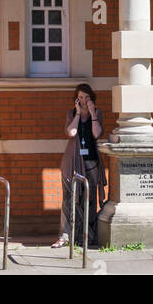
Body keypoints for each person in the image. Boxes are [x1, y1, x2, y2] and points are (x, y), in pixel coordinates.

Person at [52, 84, 105, 248]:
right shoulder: (71, 114)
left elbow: (97, 134)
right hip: (72, 162)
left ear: (92, 98)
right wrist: (76, 114)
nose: (83, 100)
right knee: (70, 199)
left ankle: (87, 236)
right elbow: (71, 133)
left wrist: (92, 114)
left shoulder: (97, 113)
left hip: (91, 162)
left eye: (87, 97)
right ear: (76, 99)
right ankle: (65, 236)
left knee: (89, 199)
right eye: (81, 97)